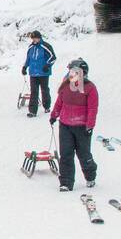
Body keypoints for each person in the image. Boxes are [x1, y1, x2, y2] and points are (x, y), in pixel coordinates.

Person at [49, 58, 98, 192]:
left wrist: (90, 125)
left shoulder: (90, 88)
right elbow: (60, 102)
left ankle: (90, 176)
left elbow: (93, 109)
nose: (71, 73)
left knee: (83, 154)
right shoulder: (66, 85)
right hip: (65, 125)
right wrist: (54, 115)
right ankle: (66, 182)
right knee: (66, 154)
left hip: (82, 126)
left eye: (74, 71)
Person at [22, 30, 57, 117]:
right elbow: (28, 58)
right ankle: (32, 111)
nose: (34, 40)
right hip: (33, 73)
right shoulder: (30, 47)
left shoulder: (45, 46)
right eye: (33, 38)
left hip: (43, 73)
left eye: (35, 38)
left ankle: (47, 106)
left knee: (44, 90)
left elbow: (53, 57)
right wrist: (25, 67)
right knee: (34, 92)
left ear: (39, 38)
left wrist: (47, 65)